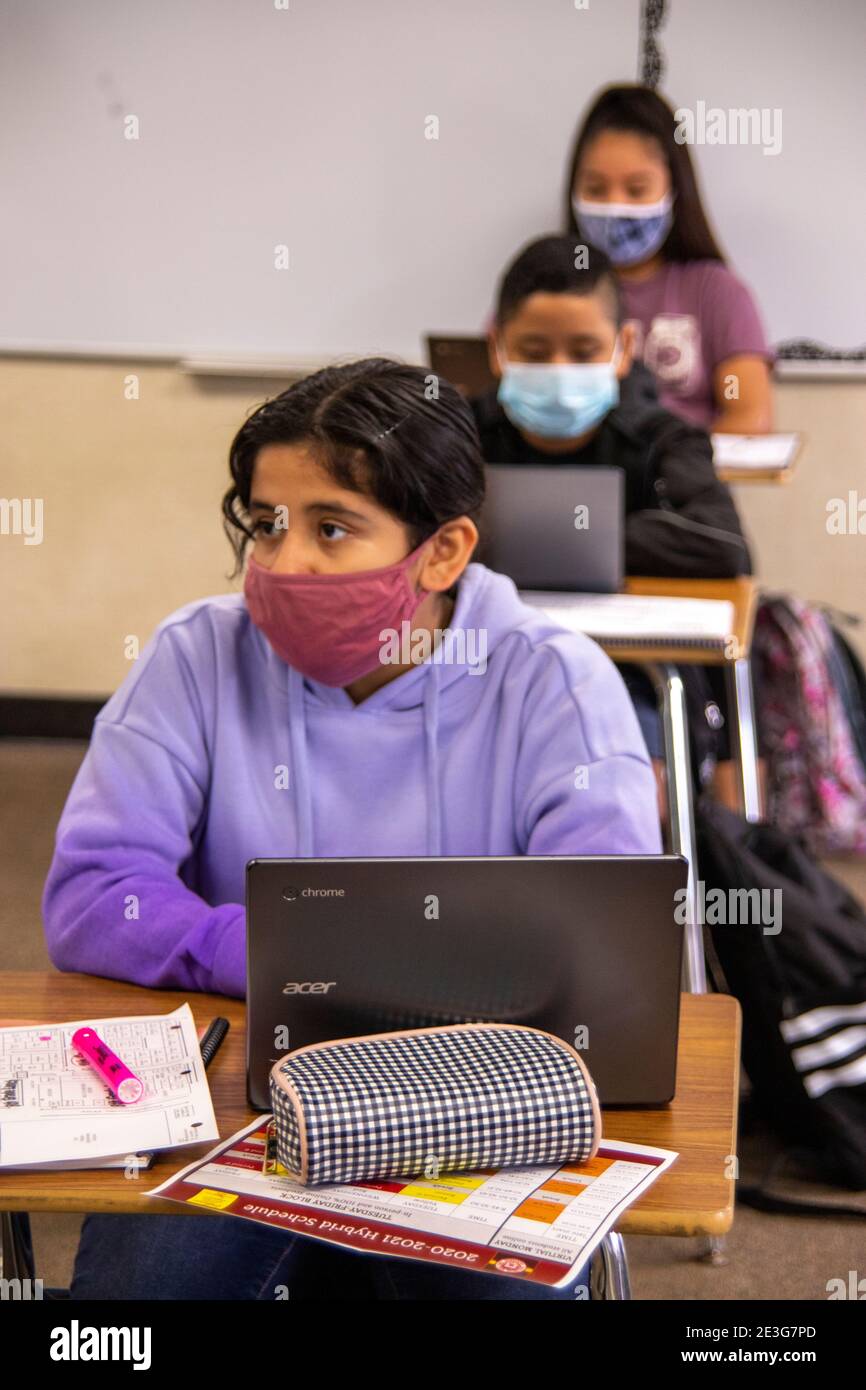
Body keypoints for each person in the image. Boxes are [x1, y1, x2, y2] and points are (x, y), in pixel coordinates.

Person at [43, 358, 661, 1300]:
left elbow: (607, 936)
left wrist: (355, 970)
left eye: (331, 528)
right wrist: (264, 952)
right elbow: (96, 892)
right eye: (267, 524)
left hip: (480, 1104)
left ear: (444, 552)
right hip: (254, 1101)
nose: (285, 562)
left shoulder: (555, 682)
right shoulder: (195, 655)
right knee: (146, 1292)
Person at [471, 234, 752, 785]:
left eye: (582, 352)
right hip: (480, 665)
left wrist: (570, 538)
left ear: (624, 347)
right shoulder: (457, 433)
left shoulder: (663, 439)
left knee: (632, 786)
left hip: (627, 677)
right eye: (532, 351)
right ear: (496, 347)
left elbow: (724, 544)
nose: (558, 369)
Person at [565, 84, 773, 433]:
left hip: (682, 483)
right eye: (596, 189)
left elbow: (750, 418)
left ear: (674, 190)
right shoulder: (546, 284)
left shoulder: (717, 291)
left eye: (637, 189)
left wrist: (677, 469)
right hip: (574, 484)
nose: (616, 206)